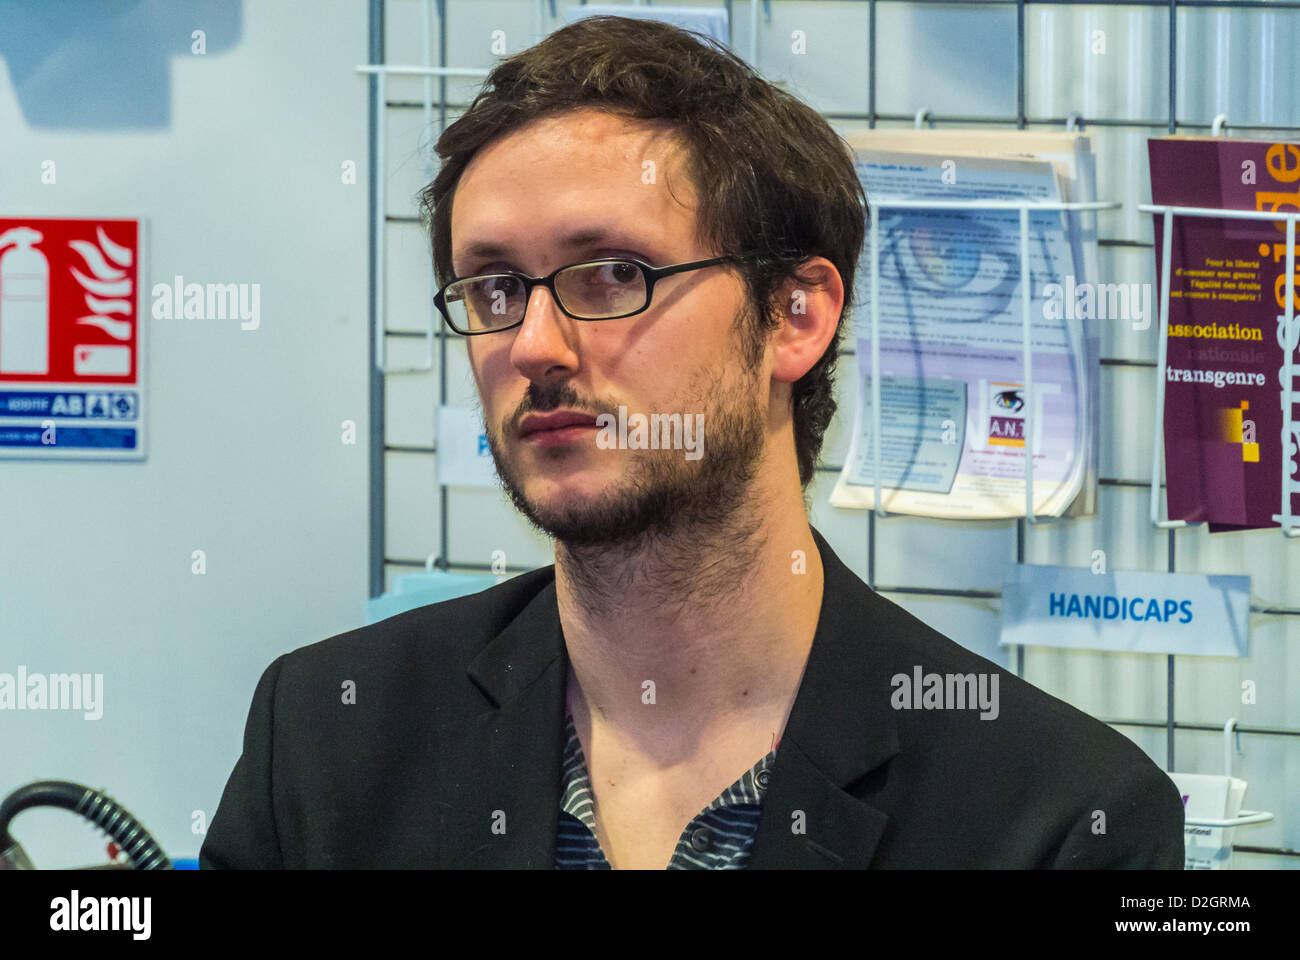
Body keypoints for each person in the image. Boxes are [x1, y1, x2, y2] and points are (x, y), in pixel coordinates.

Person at [200, 15, 1184, 869]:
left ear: (794, 316)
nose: (534, 345)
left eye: (610, 274)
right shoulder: (333, 734)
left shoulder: (1055, 817)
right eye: (494, 289)